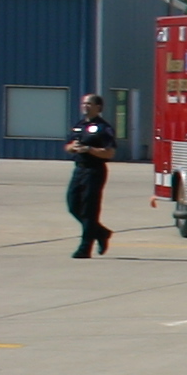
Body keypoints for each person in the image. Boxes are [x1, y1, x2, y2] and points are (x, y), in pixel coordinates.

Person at [62, 93, 114, 258]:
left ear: (98, 107)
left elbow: (110, 152)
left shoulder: (103, 128)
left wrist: (90, 150)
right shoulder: (79, 125)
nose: (85, 106)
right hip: (79, 169)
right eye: (84, 103)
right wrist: (73, 147)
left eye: (89, 104)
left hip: (94, 170)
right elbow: (68, 146)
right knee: (73, 205)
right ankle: (101, 232)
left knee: (89, 210)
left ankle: (85, 248)